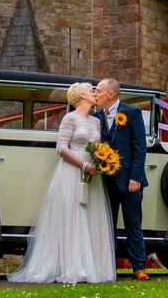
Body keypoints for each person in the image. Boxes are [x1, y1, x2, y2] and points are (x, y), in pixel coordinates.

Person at [7, 82, 115, 284]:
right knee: (72, 216)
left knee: (91, 216)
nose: (94, 94)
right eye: (91, 91)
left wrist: (102, 161)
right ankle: (71, 266)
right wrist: (83, 165)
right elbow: (61, 148)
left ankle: (91, 266)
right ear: (82, 95)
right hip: (72, 172)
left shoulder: (96, 121)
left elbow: (99, 146)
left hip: (92, 175)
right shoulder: (70, 118)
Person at [94, 78, 151, 279]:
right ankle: (108, 266)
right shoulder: (96, 116)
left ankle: (138, 267)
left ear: (111, 94)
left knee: (133, 224)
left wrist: (135, 177)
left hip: (129, 181)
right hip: (106, 181)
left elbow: (140, 146)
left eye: (99, 91)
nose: (96, 94)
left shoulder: (131, 113)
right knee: (107, 224)